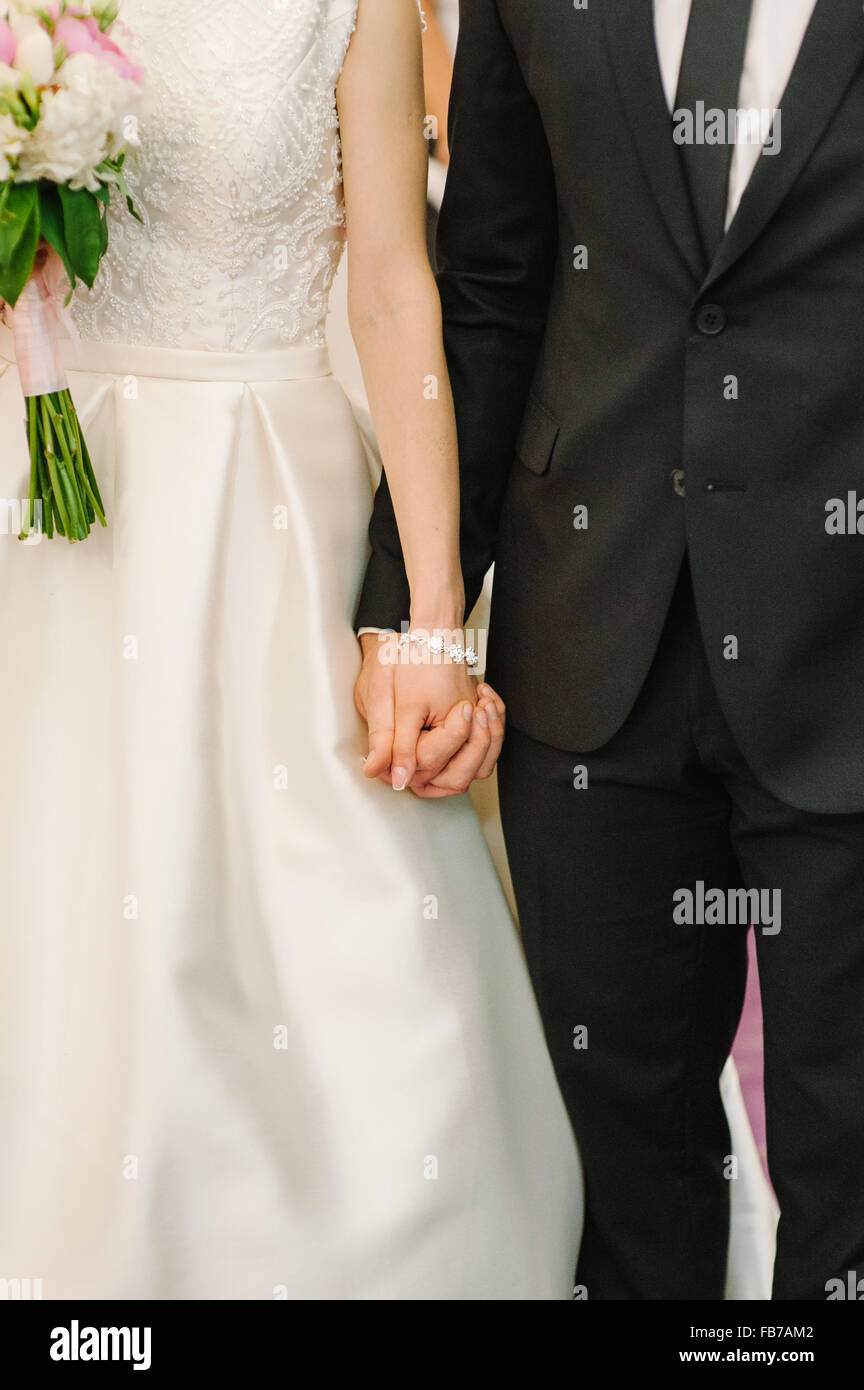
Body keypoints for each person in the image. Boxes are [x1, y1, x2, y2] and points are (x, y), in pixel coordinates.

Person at [0, 0, 582, 1299]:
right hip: (51, 505)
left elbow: (390, 280)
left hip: (272, 504)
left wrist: (433, 615)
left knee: (344, 921)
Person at [356, 0, 864, 1300]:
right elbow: (493, 281)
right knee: (619, 1187)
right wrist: (408, 610)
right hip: (595, 650)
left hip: (843, 649)